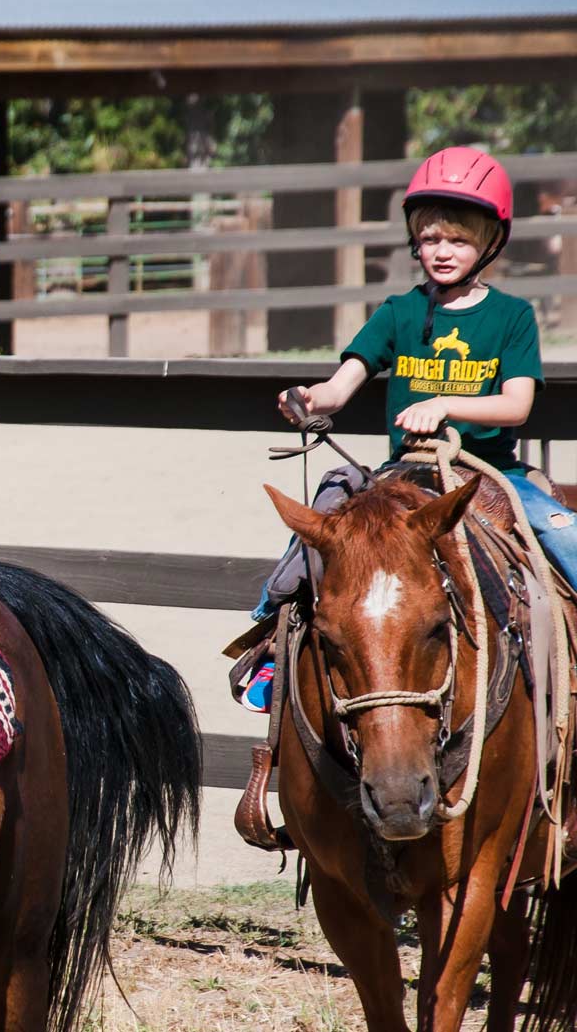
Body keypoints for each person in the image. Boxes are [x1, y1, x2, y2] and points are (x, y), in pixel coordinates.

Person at [240, 145, 577, 712]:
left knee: (566, 536)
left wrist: (446, 403)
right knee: (325, 521)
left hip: (489, 471)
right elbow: (342, 384)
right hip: (405, 473)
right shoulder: (397, 311)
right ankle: (272, 641)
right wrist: (309, 398)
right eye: (430, 239)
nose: (442, 252)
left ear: (490, 241)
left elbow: (516, 405)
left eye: (459, 239)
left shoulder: (512, 316)